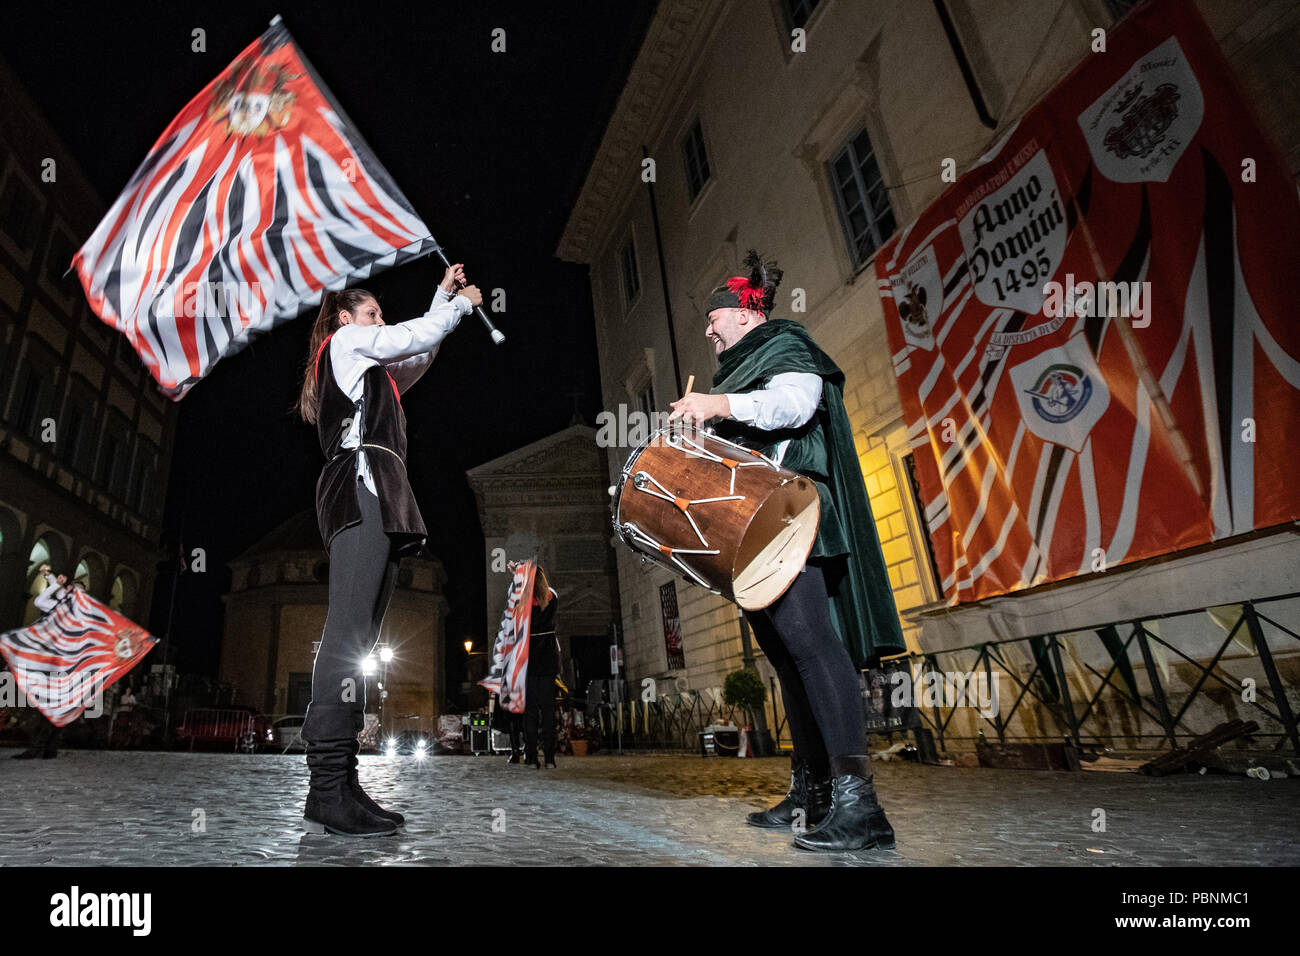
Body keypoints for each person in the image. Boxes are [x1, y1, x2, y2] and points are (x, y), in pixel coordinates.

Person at [668, 250, 907, 852]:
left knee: (810, 644)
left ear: (743, 317)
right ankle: (813, 791)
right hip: (757, 523)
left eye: (713, 317)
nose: (707, 329)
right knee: (784, 654)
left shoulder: (787, 344)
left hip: (798, 514)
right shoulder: (743, 366)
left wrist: (717, 406)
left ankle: (862, 806)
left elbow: (796, 407)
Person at [296, 264, 482, 836]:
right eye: (373, 313)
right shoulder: (346, 340)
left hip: (376, 490)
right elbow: (412, 337)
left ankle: (342, 783)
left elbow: (414, 355)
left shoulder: (372, 368)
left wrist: (444, 300)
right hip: (356, 489)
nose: (381, 322)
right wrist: (454, 308)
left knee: (362, 638)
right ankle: (327, 786)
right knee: (347, 631)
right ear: (346, 318)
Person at [12, 564, 77, 760]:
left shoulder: (74, 612)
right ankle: (45, 747)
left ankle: (45, 747)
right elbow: (42, 600)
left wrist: (53, 581)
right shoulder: (59, 607)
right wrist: (51, 579)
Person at [521, 566, 559, 768]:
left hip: (529, 660)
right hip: (548, 660)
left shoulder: (524, 601)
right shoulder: (553, 596)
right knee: (548, 710)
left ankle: (532, 757)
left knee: (531, 712)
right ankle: (551, 758)